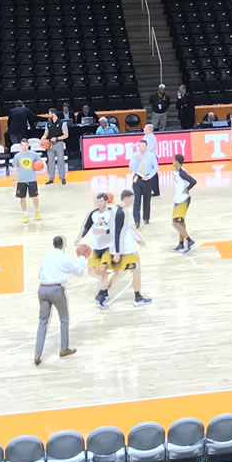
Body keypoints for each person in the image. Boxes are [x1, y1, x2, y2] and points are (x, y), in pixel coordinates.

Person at [94, 189, 152, 308]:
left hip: (124, 247)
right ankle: (137, 297)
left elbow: (128, 228)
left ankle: (102, 294)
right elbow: (117, 233)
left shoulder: (121, 210)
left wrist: (138, 239)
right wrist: (117, 252)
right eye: (131, 199)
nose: (132, 201)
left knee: (117, 271)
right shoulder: (120, 212)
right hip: (125, 248)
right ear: (127, 198)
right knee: (136, 270)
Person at [35, 234, 83, 365]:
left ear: (53, 244)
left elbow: (40, 275)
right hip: (55, 290)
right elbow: (79, 271)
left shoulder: (46, 258)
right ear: (62, 245)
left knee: (42, 322)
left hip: (42, 289)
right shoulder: (64, 258)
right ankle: (64, 349)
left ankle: (37, 354)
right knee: (64, 319)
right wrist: (82, 257)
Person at [131, 133, 159, 228]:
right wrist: (136, 160)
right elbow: (131, 166)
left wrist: (149, 176)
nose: (141, 148)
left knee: (147, 199)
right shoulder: (136, 155)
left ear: (146, 147)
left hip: (147, 178)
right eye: (140, 147)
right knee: (137, 199)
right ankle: (136, 220)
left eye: (143, 146)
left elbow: (155, 169)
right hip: (137, 178)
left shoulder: (151, 156)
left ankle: (146, 218)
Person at [170, 153, 196, 254]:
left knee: (175, 223)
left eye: (173, 160)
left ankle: (190, 241)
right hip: (178, 199)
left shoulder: (181, 172)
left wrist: (187, 188)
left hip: (183, 200)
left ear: (177, 162)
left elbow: (193, 181)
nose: (172, 161)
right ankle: (181, 244)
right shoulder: (176, 172)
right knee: (181, 222)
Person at [14, 138, 44, 223]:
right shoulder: (17, 156)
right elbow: (15, 168)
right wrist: (13, 179)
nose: (24, 147)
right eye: (22, 145)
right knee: (22, 198)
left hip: (32, 179)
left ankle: (37, 212)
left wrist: (43, 167)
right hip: (21, 180)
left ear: (28, 145)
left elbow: (41, 162)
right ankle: (25, 215)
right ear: (20, 146)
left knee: (34, 197)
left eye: (25, 145)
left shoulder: (33, 154)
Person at [43, 106, 71, 184]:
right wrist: (41, 140)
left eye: (49, 113)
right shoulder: (48, 123)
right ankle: (51, 178)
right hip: (50, 144)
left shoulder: (62, 123)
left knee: (60, 161)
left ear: (53, 114)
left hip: (59, 143)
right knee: (50, 161)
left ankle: (62, 178)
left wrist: (57, 138)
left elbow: (66, 135)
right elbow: (45, 134)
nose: (48, 115)